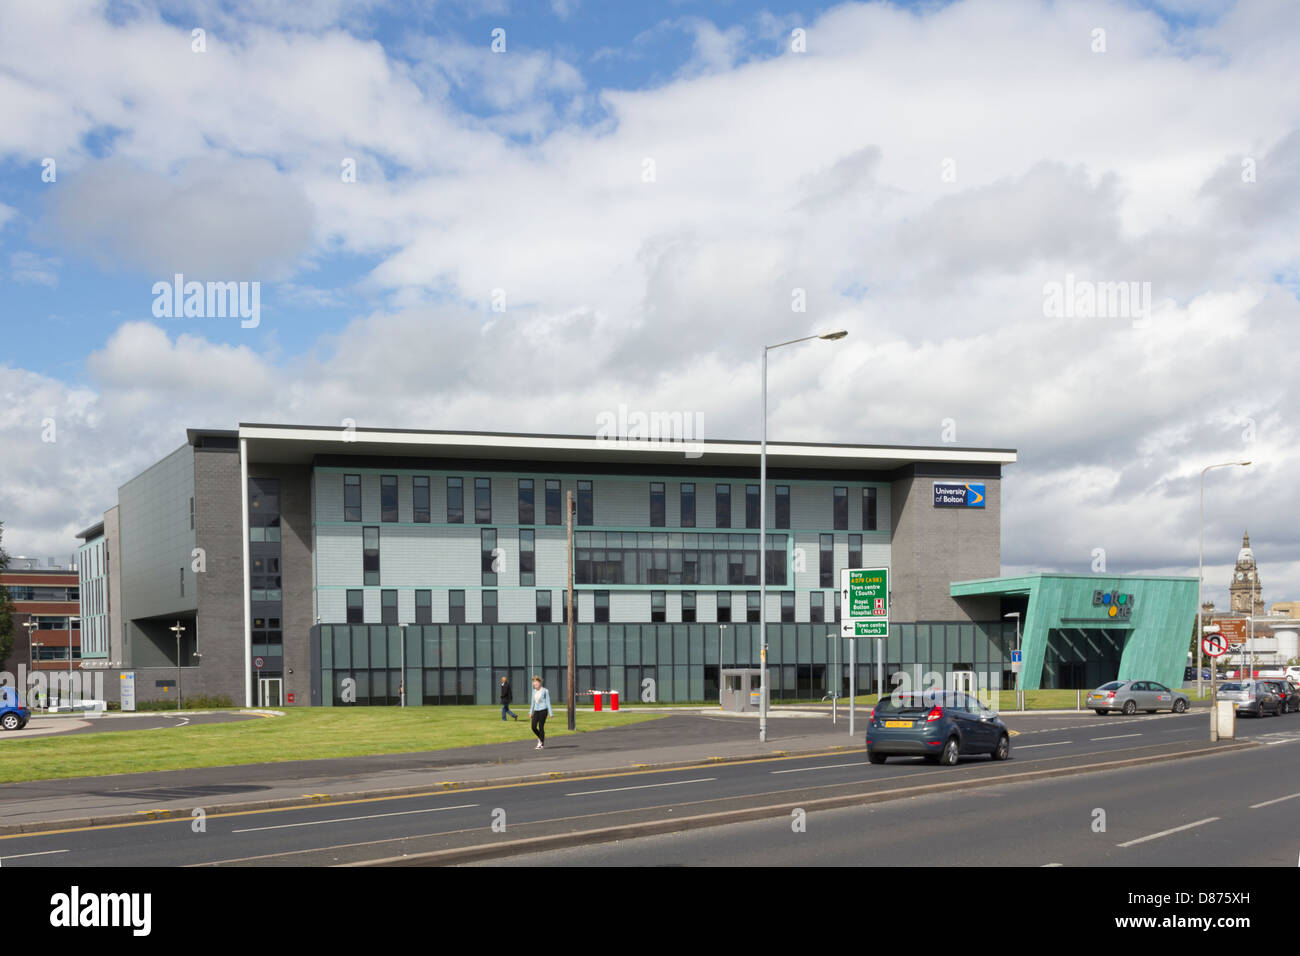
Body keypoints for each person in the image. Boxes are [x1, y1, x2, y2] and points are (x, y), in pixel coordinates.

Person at [528, 675, 552, 750]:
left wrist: (551, 713)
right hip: (536, 710)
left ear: (539, 683)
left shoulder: (545, 691)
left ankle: (541, 743)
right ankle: (540, 738)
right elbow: (532, 702)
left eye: (536, 684)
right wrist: (530, 712)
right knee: (533, 727)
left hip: (543, 710)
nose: (534, 685)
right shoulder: (534, 691)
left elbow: (548, 702)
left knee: (541, 726)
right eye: (533, 684)